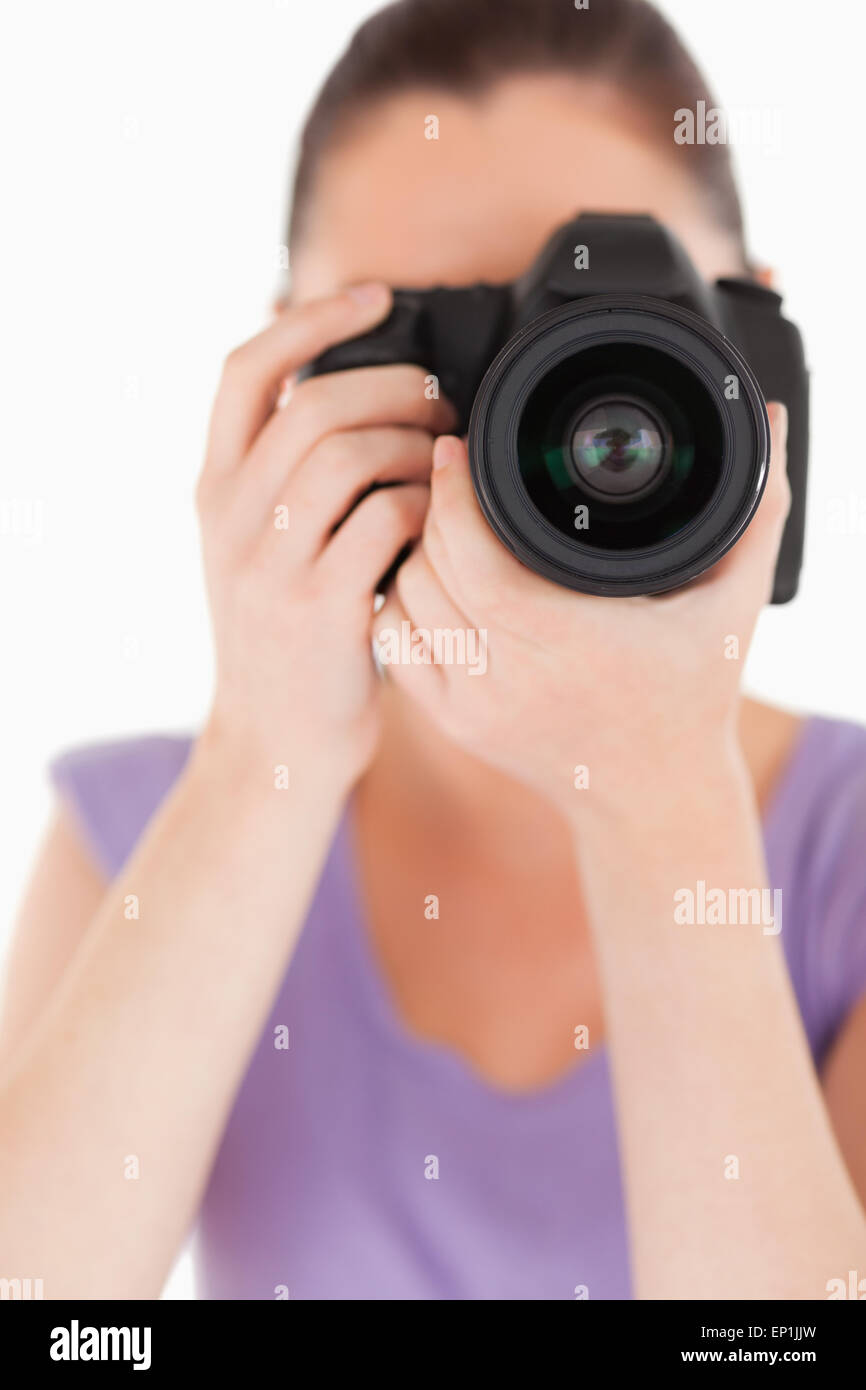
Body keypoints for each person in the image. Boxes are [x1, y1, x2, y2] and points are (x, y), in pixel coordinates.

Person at [2, 0, 865, 1301]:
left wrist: (658, 802)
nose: (528, 417)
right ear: (287, 363)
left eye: (602, 332)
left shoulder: (843, 851)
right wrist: (264, 760)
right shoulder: (145, 832)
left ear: (759, 357)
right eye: (434, 339)